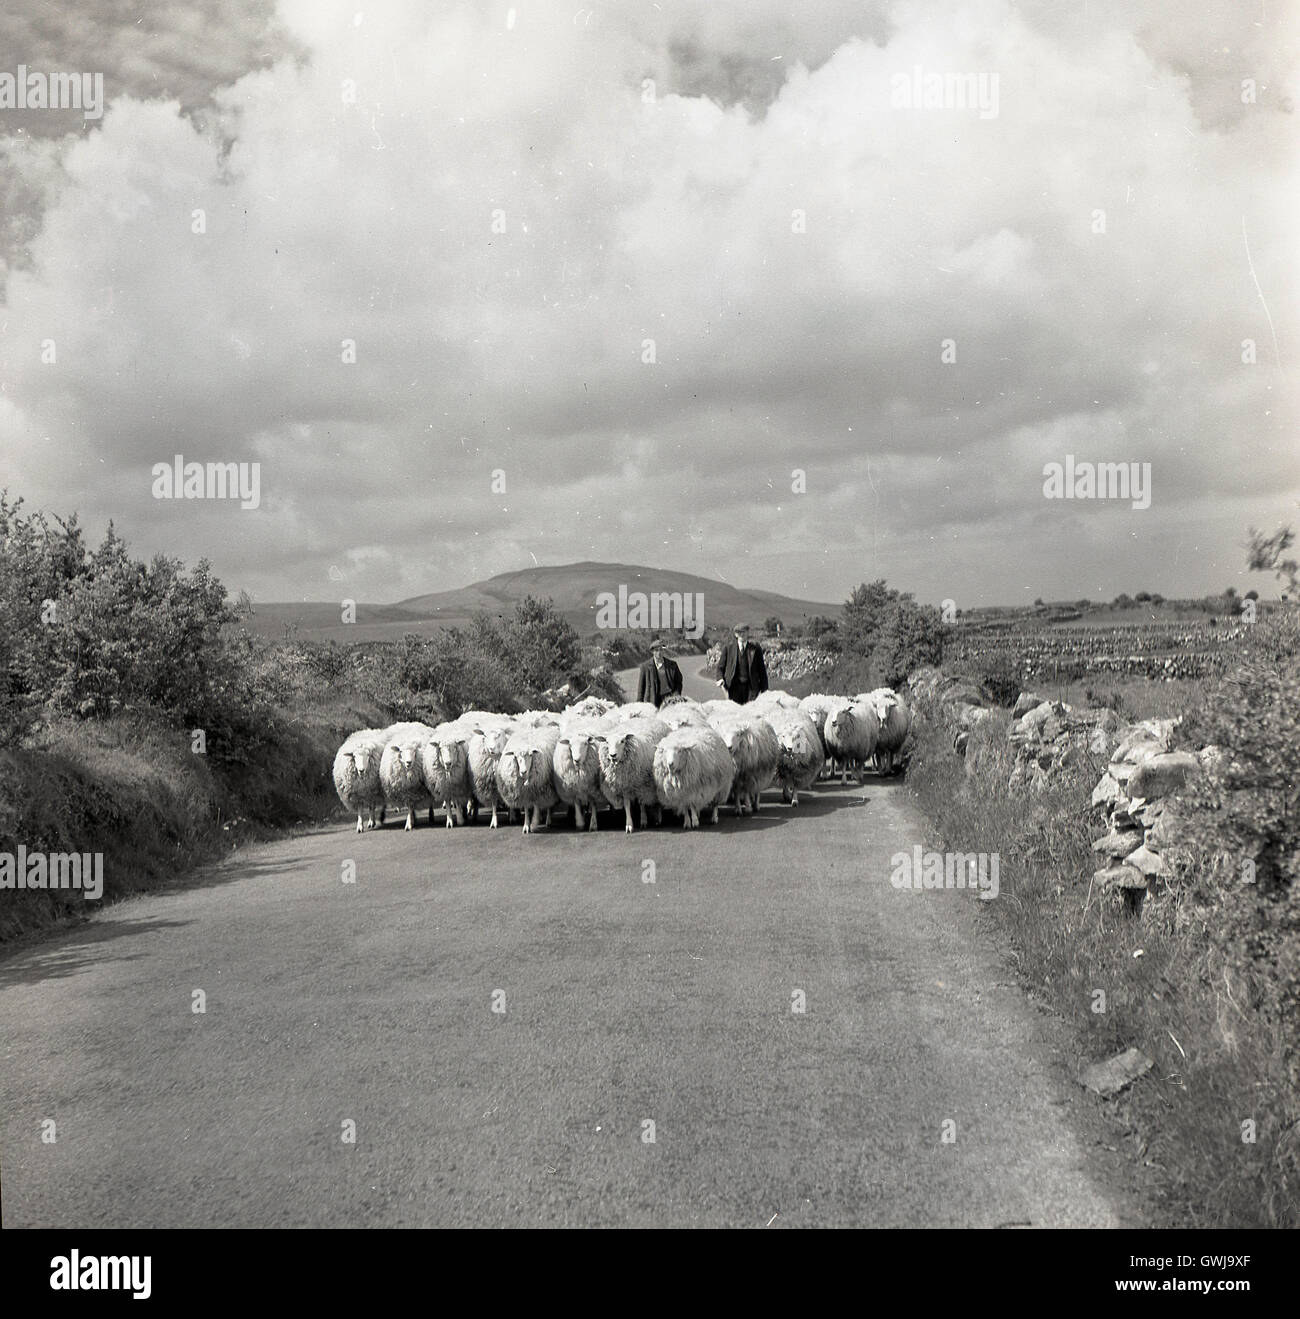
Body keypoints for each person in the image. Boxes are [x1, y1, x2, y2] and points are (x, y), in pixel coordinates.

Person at [715, 622, 768, 704]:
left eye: (744, 632)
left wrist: (765, 690)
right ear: (736, 635)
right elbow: (720, 668)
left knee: (750, 712)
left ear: (748, 633)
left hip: (751, 688)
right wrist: (720, 679)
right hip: (733, 687)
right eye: (739, 632)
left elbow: (762, 670)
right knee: (735, 712)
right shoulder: (728, 648)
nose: (742, 634)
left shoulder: (755, 649)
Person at [637, 636, 683, 707]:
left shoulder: (672, 665)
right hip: (652, 701)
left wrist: (676, 695)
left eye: (661, 650)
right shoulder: (645, 667)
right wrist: (639, 704)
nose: (659, 652)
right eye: (656, 650)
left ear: (664, 651)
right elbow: (641, 688)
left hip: (669, 699)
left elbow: (678, 682)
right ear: (652, 652)